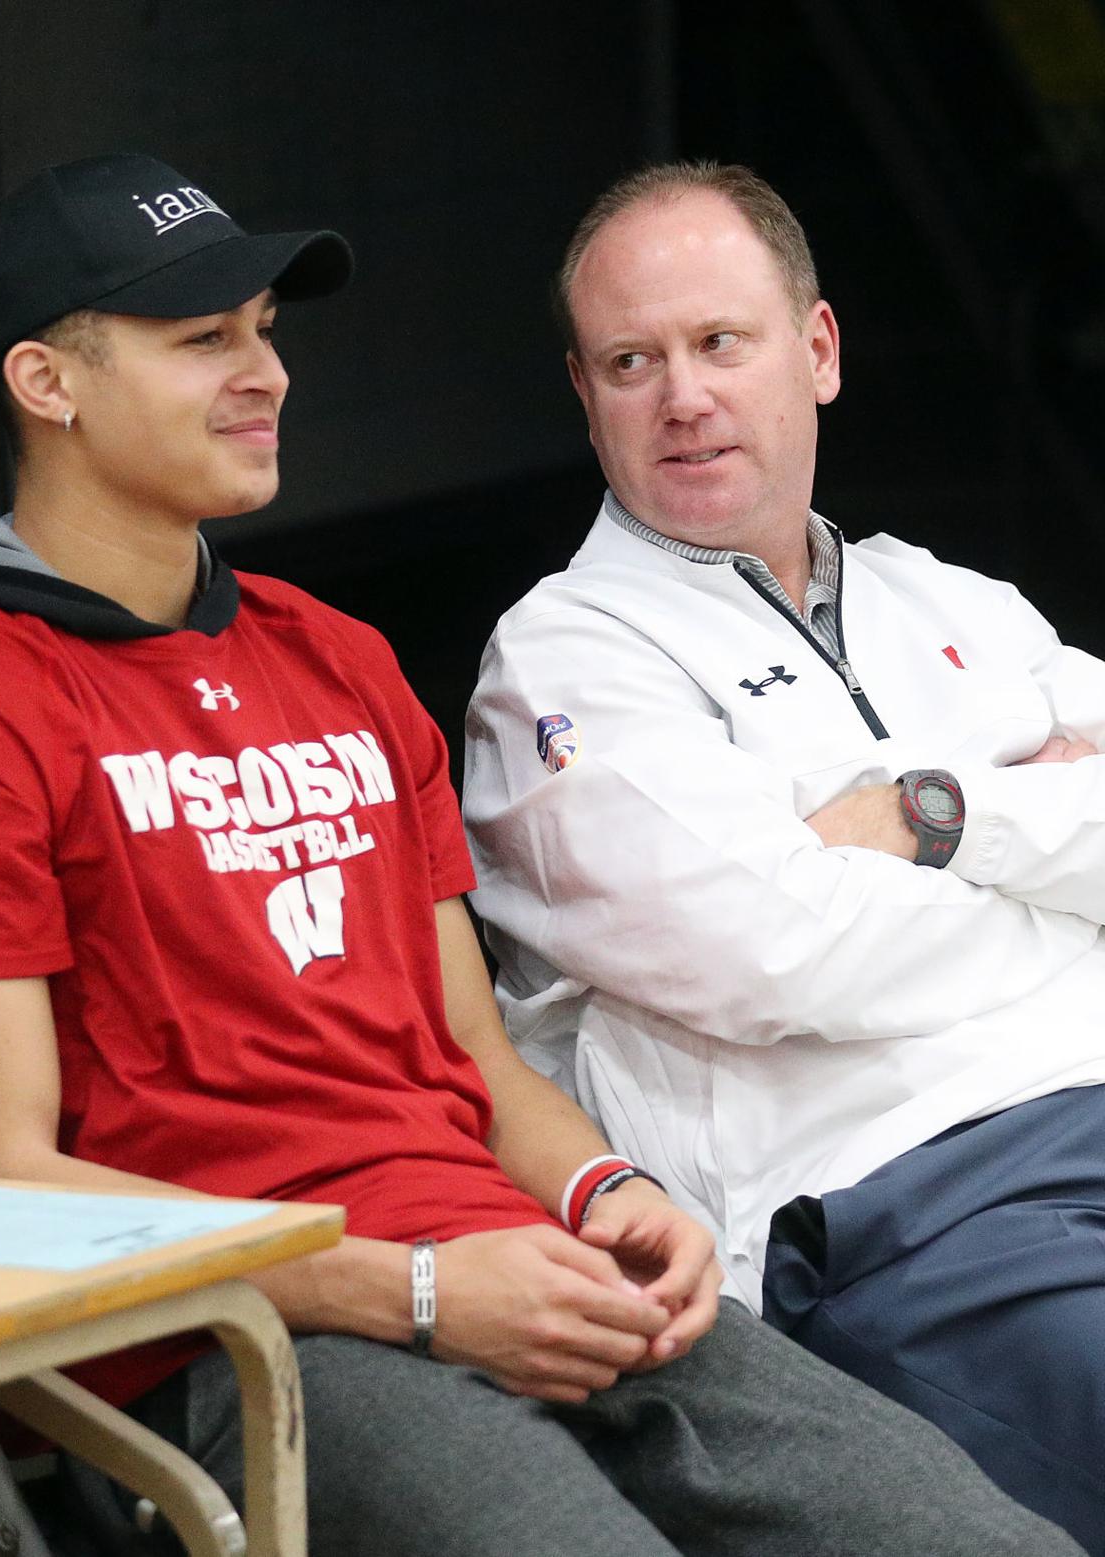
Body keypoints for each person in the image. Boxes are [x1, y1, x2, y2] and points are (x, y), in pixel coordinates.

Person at [0, 155, 1077, 1557]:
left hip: (523, 1265)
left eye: (266, 330)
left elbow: (477, 1054)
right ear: (48, 383)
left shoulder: (334, 657)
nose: (265, 372)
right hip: (229, 1339)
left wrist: (615, 1195)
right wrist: (409, 1289)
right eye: (202, 337)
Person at [463, 157, 1105, 1555]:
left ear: (815, 352)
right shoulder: (564, 662)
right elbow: (778, 948)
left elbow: (837, 908)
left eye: (720, 343)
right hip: (902, 1211)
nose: (683, 395)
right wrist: (1071, 901)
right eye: (633, 360)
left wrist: (937, 814)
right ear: (584, 396)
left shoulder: (954, 599)